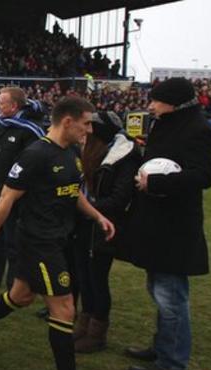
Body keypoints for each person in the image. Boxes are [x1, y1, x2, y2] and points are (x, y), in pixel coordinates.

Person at [0, 96, 115, 370]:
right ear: (68, 121)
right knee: (63, 308)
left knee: (20, 296)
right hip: (37, 242)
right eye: (86, 123)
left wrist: (97, 216)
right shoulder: (35, 154)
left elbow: (72, 194)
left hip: (58, 239)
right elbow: (7, 197)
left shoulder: (72, 154)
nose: (90, 129)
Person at [125, 77, 211, 370]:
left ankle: (172, 363)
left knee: (171, 294)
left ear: (173, 101)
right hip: (157, 220)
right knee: (158, 287)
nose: (150, 105)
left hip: (175, 225)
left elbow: (205, 175)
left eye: (155, 100)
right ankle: (162, 346)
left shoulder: (198, 130)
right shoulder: (166, 123)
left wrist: (157, 182)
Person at [72, 111, 140, 353]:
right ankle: (84, 324)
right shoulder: (91, 152)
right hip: (84, 225)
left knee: (97, 278)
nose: (87, 130)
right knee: (83, 275)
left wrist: (85, 208)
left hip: (104, 227)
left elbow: (119, 198)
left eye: (92, 126)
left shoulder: (124, 156)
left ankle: (97, 333)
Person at [0, 87, 45, 288]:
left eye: (1, 102)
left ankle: (14, 281)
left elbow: (34, 164)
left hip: (16, 195)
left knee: (14, 239)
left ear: (14, 106)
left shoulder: (30, 130)